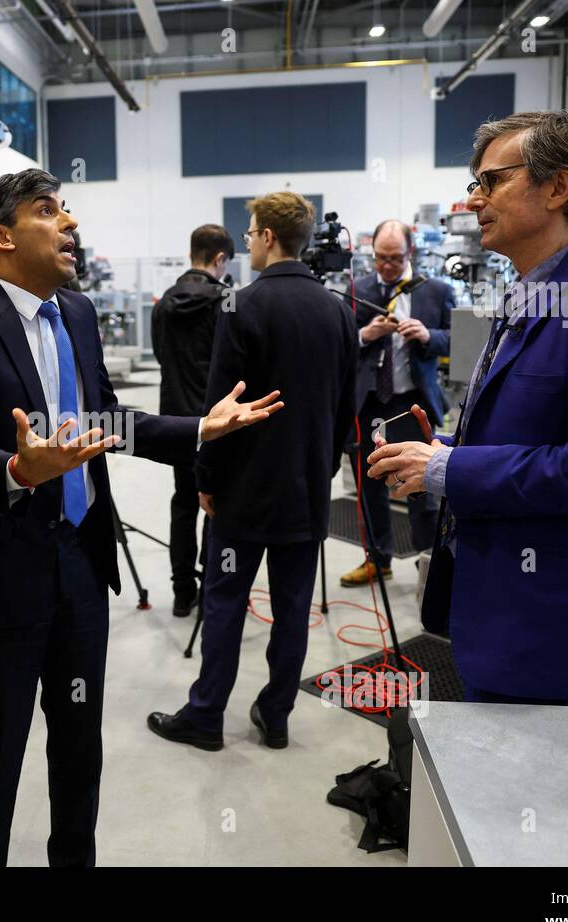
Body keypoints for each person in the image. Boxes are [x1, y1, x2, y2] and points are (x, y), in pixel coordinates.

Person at [0, 168, 282, 866]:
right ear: (0, 236)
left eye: (67, 210)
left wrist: (199, 429)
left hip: (83, 566)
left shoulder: (78, 313)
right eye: (48, 211)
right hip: (1, 573)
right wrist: (19, 469)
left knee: (79, 745)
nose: (70, 224)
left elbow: (106, 419)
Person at [368, 107, 568, 705]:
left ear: (559, 187)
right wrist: (445, 449)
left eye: (492, 181)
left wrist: (446, 470)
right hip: (507, 611)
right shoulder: (531, 292)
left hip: (565, 628)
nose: (475, 200)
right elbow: (532, 430)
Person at [147, 193, 357, 751]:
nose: (246, 241)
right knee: (292, 607)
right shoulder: (339, 309)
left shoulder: (241, 306)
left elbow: (223, 406)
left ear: (267, 237)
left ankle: (206, 715)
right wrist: (327, 462)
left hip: (244, 488)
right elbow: (346, 406)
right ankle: (276, 714)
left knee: (224, 602)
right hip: (307, 489)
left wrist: (206, 478)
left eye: (250, 231)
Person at [340, 219, 453, 587]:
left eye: (394, 258)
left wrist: (428, 335)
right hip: (369, 404)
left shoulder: (435, 290)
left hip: (411, 403)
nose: (386, 266)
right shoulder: (357, 290)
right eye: (380, 259)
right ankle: (377, 558)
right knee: (369, 485)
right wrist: (364, 335)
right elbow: (339, 342)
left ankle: (428, 563)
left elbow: (457, 339)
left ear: (411, 253)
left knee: (422, 485)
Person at [150, 224, 234, 617]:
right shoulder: (224, 302)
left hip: (174, 422)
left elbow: (161, 355)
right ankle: (212, 588)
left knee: (183, 503)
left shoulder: (164, 302)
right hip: (214, 420)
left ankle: (183, 592)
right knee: (214, 501)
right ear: (219, 259)